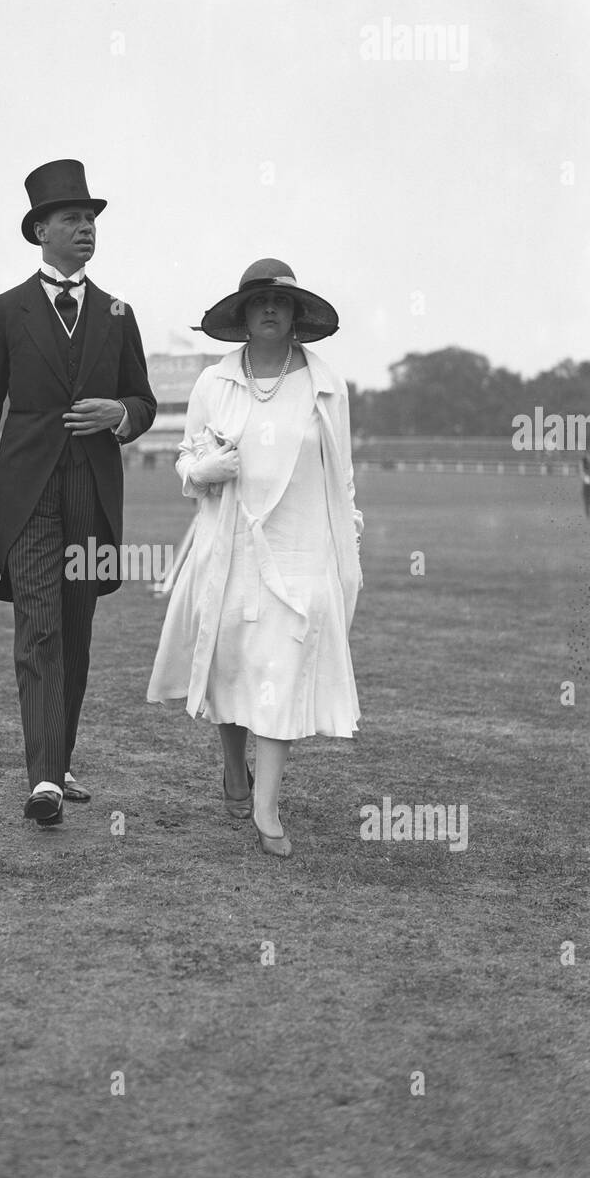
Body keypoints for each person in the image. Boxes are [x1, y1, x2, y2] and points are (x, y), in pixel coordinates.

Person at [147, 259, 363, 858]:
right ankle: (233, 767)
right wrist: (203, 470)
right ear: (242, 316)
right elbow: (188, 460)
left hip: (302, 547)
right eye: (259, 302)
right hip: (231, 544)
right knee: (235, 663)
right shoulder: (214, 383)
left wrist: (351, 536)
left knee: (281, 667)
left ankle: (266, 804)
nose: (270, 310)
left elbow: (340, 473)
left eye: (282, 302)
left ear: (296, 314)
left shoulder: (326, 386)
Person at [0, 159, 157, 824]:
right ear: (39, 229)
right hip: (28, 502)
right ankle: (43, 780)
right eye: (72, 219)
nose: (85, 229)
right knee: (39, 629)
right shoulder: (2, 312)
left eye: (91, 219)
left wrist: (120, 415)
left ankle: (60, 758)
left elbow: (145, 401)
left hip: (93, 502)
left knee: (75, 633)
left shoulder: (117, 313)